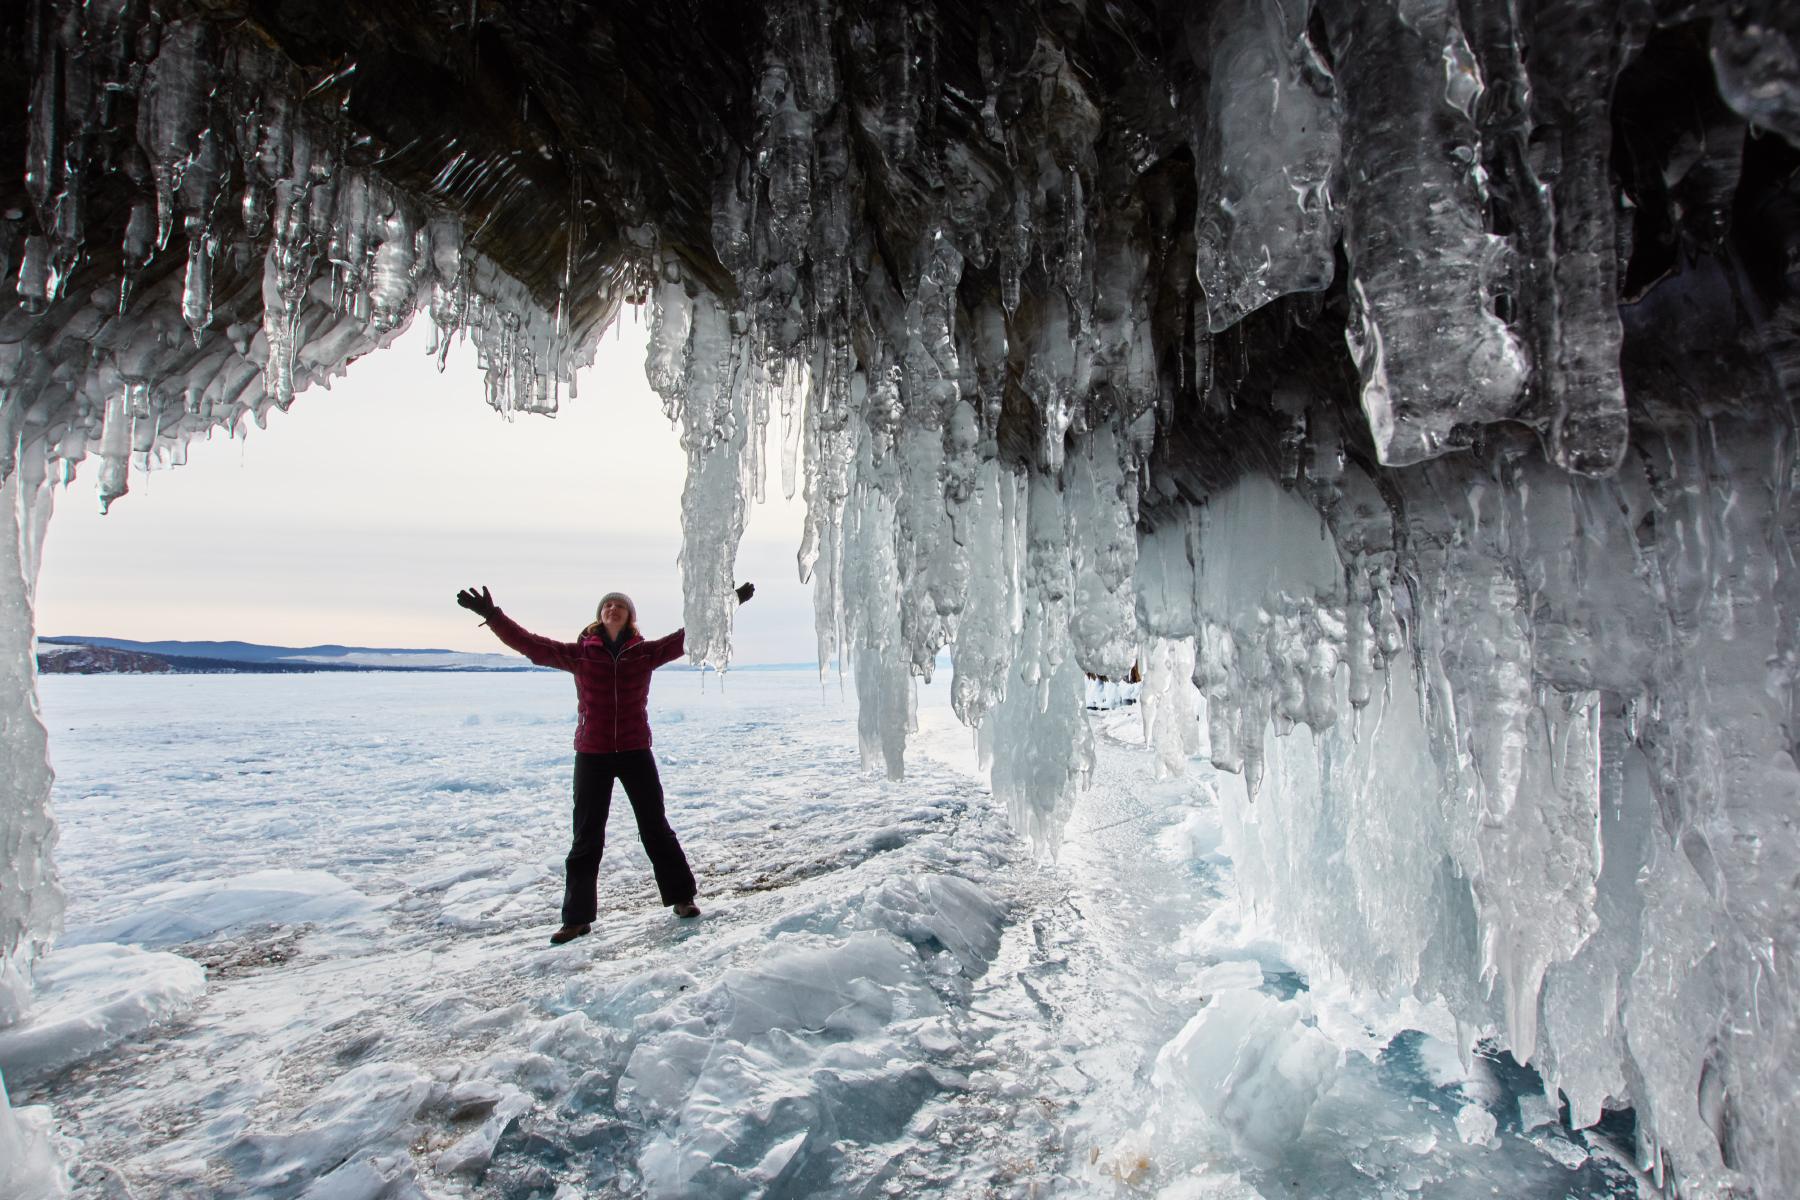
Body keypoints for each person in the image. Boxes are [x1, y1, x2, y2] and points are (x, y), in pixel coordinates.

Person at [454, 581, 755, 945]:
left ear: (629, 618)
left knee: (655, 827)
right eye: (607, 605)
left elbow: (688, 636)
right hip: (592, 753)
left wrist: (729, 602)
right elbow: (530, 645)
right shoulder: (580, 654)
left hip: (634, 751)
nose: (612, 609)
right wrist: (492, 615)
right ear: (600, 615)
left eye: (620, 606)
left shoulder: (644, 653)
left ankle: (682, 898)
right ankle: (576, 919)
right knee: (586, 836)